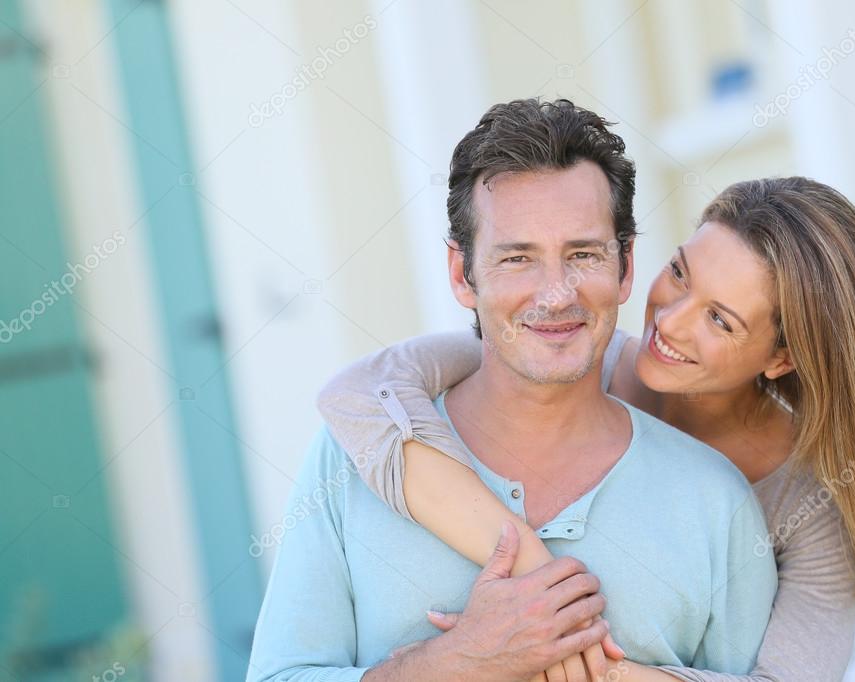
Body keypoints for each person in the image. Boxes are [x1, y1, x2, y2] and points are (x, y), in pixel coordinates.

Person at [247, 98, 777, 682]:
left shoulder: (715, 502)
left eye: (583, 254)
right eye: (517, 258)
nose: (555, 295)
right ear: (462, 274)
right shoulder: (354, 461)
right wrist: (456, 663)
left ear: (625, 266)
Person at [318, 169, 855, 679]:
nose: (672, 321)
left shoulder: (816, 506)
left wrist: (584, 657)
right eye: (681, 273)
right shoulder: (574, 363)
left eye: (720, 319)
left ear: (782, 358)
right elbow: (359, 393)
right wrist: (533, 571)